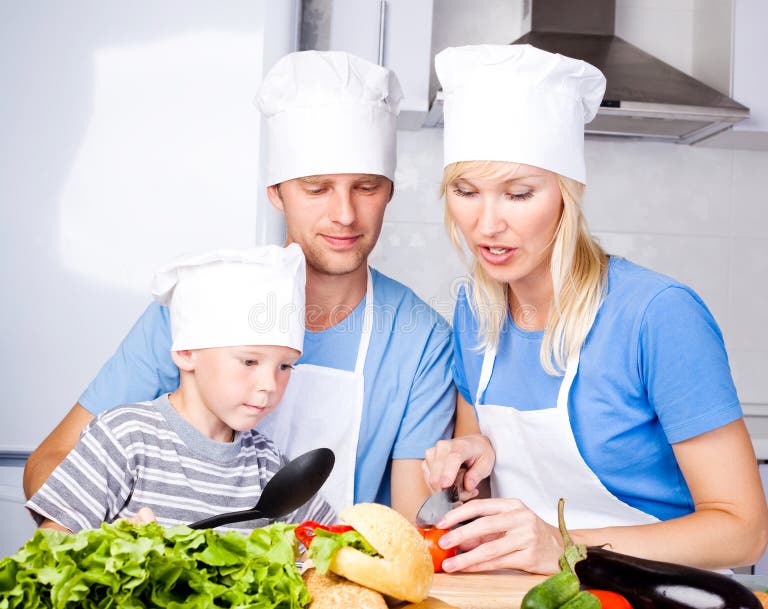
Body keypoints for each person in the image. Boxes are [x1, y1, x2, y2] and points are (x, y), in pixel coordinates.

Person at [23, 50, 455, 521]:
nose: (345, 214)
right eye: (315, 189)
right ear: (275, 193)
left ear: (389, 191)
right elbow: (50, 464)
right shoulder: (199, 305)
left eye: (366, 187)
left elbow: (412, 529)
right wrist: (137, 556)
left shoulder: (421, 339)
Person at [421, 44, 768, 574]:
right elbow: (488, 493)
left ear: (567, 192)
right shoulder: (475, 308)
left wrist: (563, 547)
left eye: (518, 194)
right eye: (465, 191)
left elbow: (743, 531)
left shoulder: (656, 315)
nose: (486, 225)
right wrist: (473, 459)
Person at [25, 244, 336, 533]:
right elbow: (51, 549)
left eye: (285, 366)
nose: (269, 385)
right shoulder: (124, 437)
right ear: (186, 353)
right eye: (249, 362)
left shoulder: (266, 464)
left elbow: (330, 546)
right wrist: (115, 548)